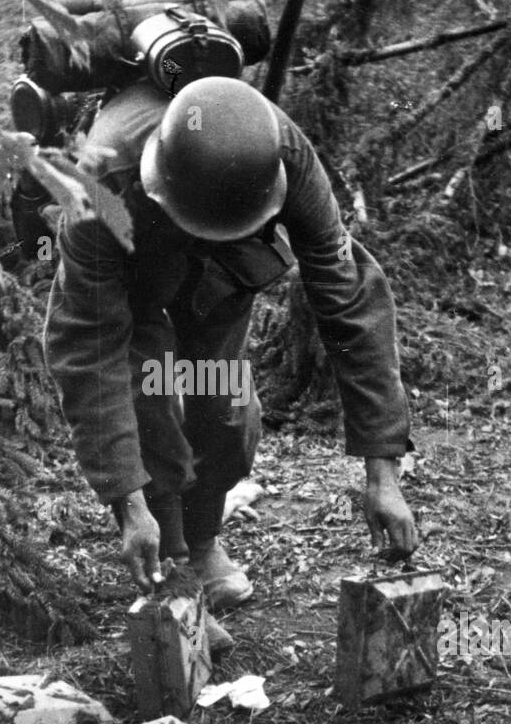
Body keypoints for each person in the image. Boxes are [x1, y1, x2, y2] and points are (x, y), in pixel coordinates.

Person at [43, 75, 418, 610]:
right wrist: (126, 503)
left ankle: (201, 542)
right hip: (136, 262)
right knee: (148, 392)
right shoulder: (101, 184)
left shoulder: (285, 158)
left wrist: (382, 472)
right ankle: (170, 566)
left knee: (224, 405)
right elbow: (89, 347)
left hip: (225, 270)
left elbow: (351, 303)